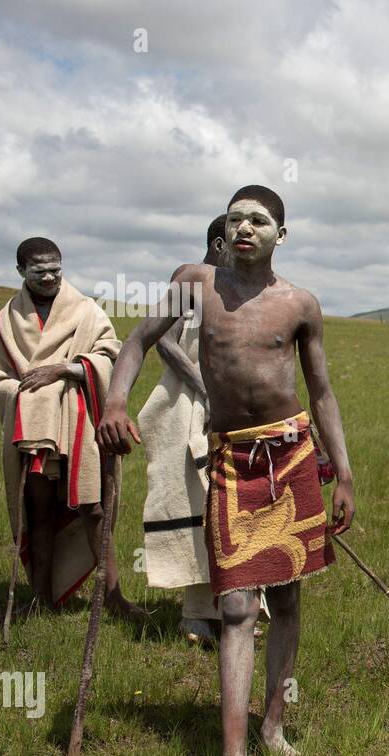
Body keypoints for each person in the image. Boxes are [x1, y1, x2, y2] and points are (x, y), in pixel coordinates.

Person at [97, 185, 355, 756]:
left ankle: (274, 726)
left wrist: (342, 472)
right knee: (236, 607)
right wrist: (114, 400)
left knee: (287, 597)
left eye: (259, 221)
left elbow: (320, 393)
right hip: (232, 457)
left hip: (290, 453)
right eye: (236, 218)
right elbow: (136, 341)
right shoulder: (195, 282)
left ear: (280, 235)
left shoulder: (300, 304)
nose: (245, 228)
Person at [0, 237, 141, 619]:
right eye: (40, 271)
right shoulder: (7, 320)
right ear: (21, 271)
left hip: (79, 421)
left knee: (94, 508)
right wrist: (25, 395)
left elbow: (109, 356)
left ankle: (113, 597)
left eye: (56, 269)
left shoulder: (86, 310)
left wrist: (64, 371)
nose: (50, 277)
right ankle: (40, 598)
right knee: (37, 510)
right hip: (33, 431)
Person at [136, 215, 225, 644]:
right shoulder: (190, 279)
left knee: (227, 509)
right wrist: (204, 389)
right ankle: (194, 615)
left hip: (225, 411)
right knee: (196, 504)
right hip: (187, 406)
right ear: (219, 243)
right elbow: (165, 342)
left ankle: (228, 612)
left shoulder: (235, 287)